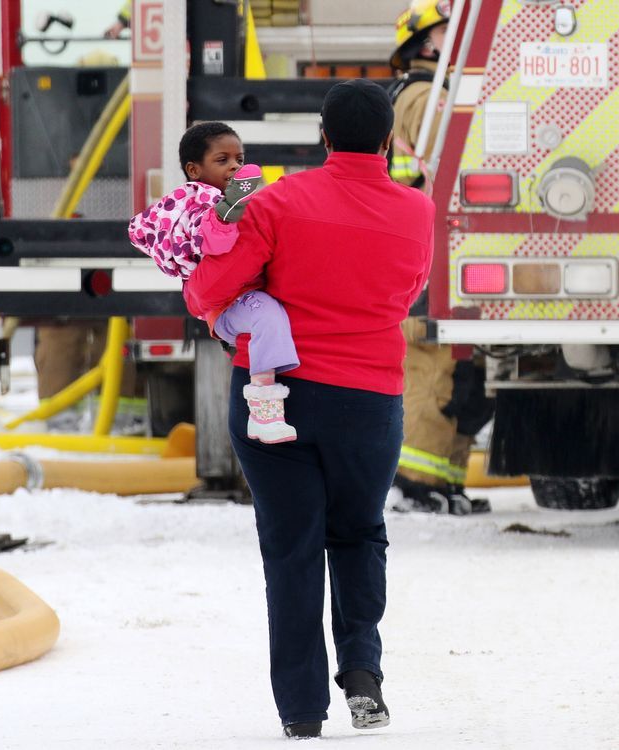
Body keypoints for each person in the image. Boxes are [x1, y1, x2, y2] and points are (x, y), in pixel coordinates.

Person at [185, 79, 434, 739]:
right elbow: (407, 291)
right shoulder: (416, 212)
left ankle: (300, 711)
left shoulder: (277, 202)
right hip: (368, 398)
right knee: (358, 532)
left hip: (277, 397)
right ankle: (363, 676)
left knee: (291, 547)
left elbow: (210, 290)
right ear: (387, 139)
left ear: (322, 136)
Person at [387, 0, 494, 515]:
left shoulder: (437, 93)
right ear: (429, 42)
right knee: (430, 366)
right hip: (422, 251)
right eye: (453, 30)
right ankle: (411, 480)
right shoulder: (420, 97)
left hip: (442, 246)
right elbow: (453, 152)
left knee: (458, 375)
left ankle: (445, 478)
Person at [128, 122, 299, 442]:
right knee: (269, 315)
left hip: (237, 298)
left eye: (239, 158)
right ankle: (264, 412)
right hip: (227, 306)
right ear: (194, 169)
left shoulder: (208, 199)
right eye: (223, 160)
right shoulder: (195, 203)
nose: (234, 165)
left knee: (273, 313)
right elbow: (207, 243)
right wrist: (225, 214)